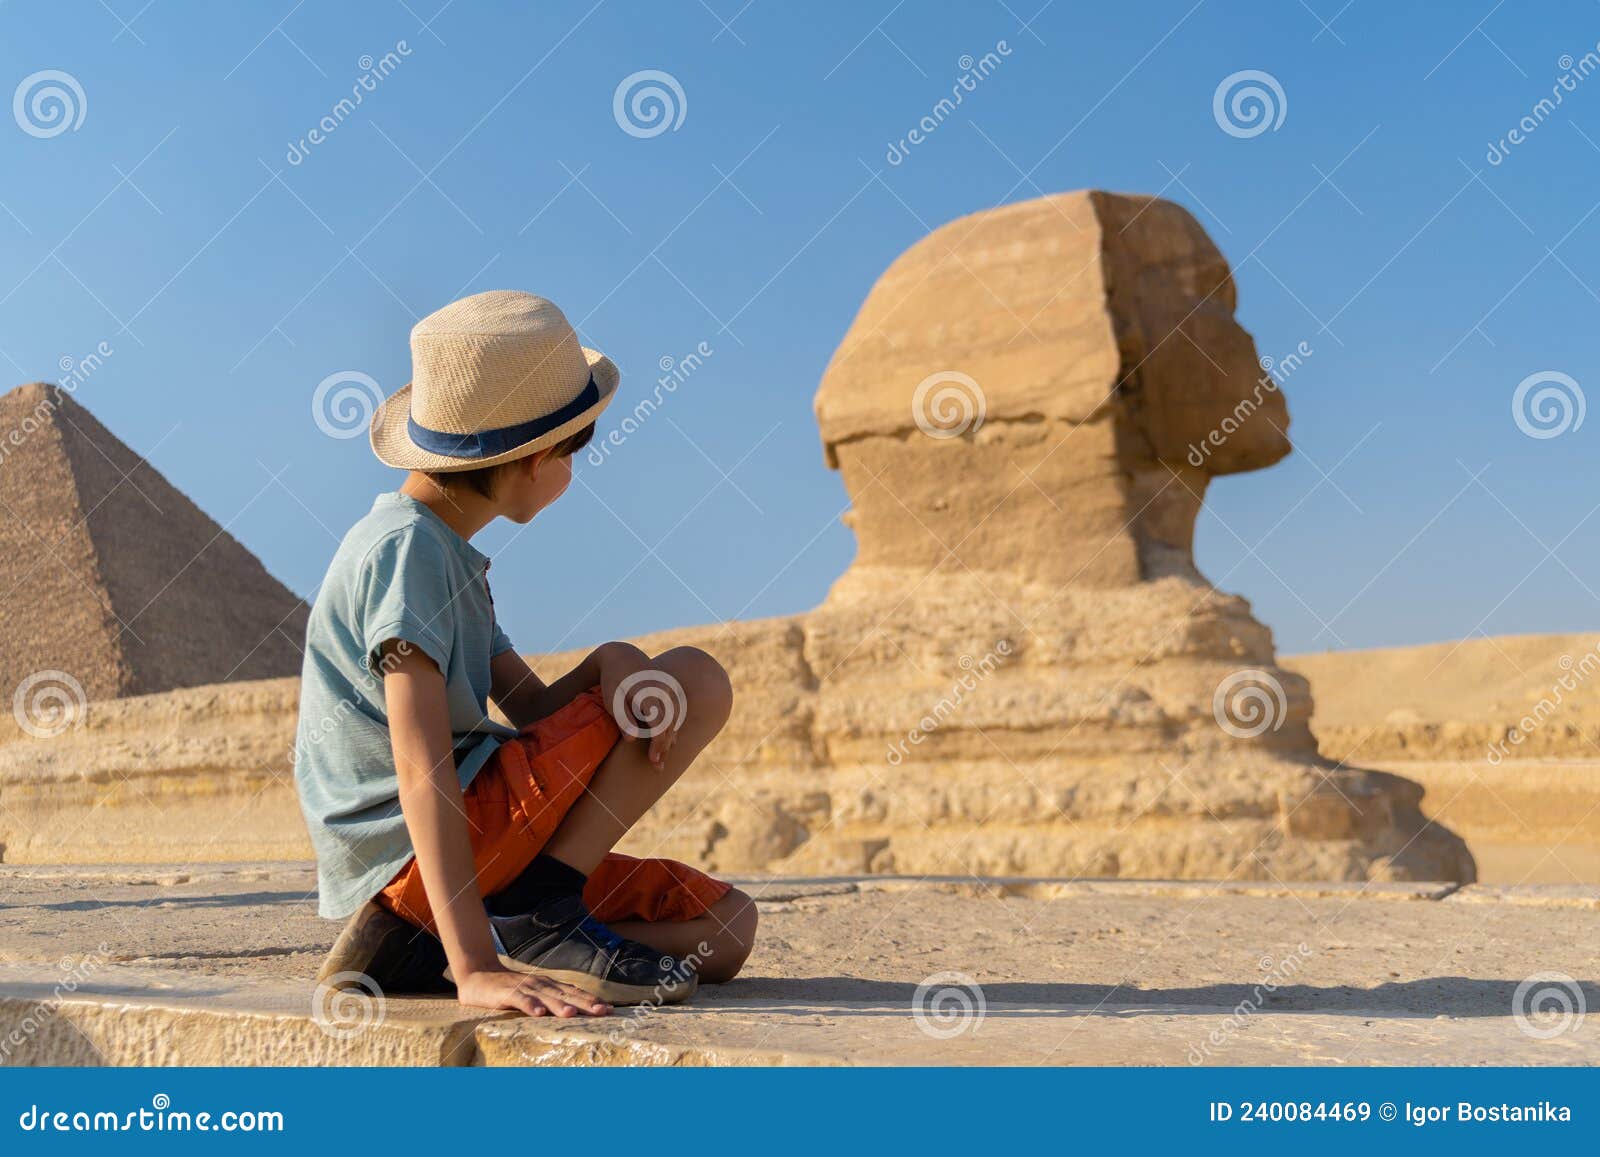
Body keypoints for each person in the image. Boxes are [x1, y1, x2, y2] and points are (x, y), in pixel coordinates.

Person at [294, 290, 756, 1019]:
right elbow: (422, 765)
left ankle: (481, 929)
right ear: (538, 458)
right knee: (695, 680)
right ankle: (516, 920)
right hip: (421, 854)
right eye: (576, 450)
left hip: (486, 855)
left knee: (726, 931)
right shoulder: (406, 553)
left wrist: (610, 659)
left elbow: (537, 710)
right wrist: (474, 966)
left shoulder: (447, 555)